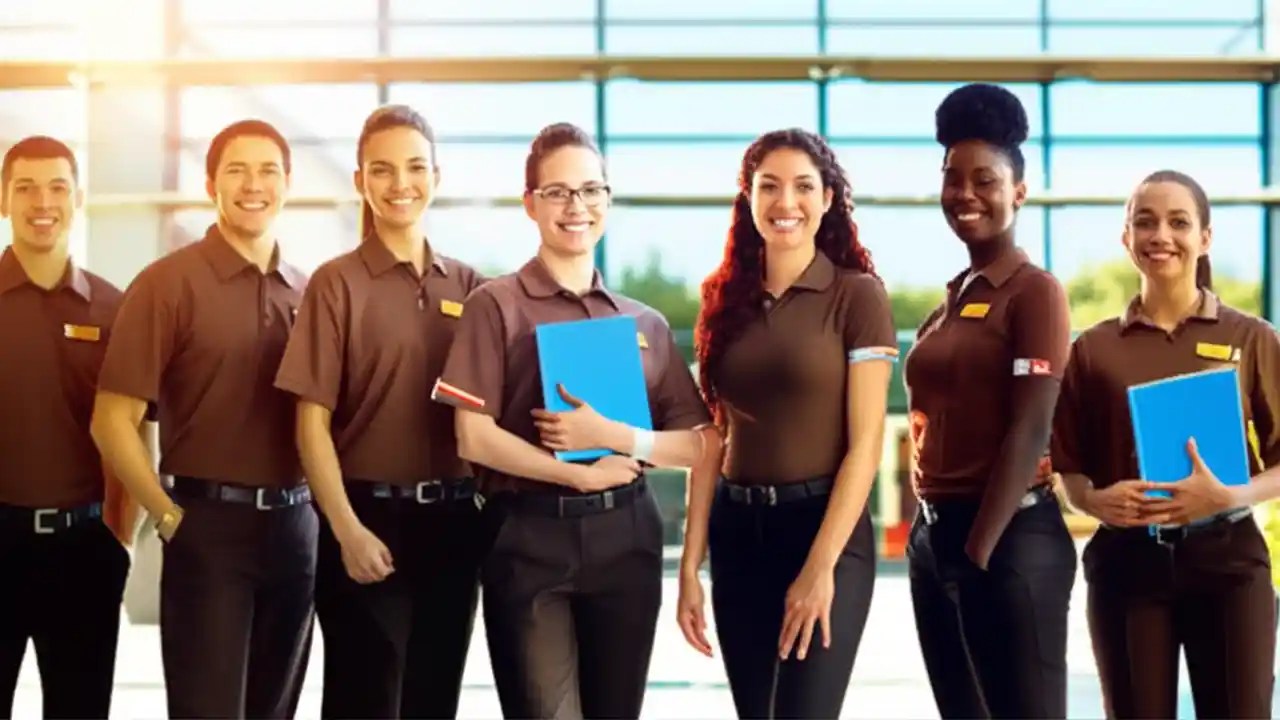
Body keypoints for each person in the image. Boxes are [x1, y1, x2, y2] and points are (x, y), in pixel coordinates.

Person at [430, 121, 717, 720]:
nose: (575, 206)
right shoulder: (495, 305)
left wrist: (616, 439)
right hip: (528, 538)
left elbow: (700, 445)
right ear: (530, 203)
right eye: (558, 192)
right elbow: (472, 436)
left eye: (590, 190)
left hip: (627, 539)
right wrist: (577, 474)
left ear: (607, 199)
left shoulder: (643, 323)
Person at [91, 120, 315, 719]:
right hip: (208, 529)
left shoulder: (307, 290)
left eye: (268, 171)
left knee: (276, 710)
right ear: (211, 184)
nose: (254, 185)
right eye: (237, 170)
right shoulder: (166, 284)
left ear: (288, 183)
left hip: (296, 530)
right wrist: (166, 517)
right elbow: (112, 419)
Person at [274, 104, 486, 719]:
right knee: (364, 700)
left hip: (453, 525)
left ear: (436, 177)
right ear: (360, 180)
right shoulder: (335, 284)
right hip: (366, 521)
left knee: (432, 702)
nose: (401, 184)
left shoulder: (470, 287)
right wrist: (345, 530)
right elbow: (310, 424)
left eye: (415, 167)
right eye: (383, 169)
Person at [679, 128, 893, 719]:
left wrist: (819, 568)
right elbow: (712, 441)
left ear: (827, 199)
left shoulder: (857, 296)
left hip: (822, 530)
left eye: (803, 186)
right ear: (748, 198)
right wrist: (691, 565)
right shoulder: (723, 301)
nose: (785, 202)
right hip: (738, 533)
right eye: (768, 187)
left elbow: (866, 445)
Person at [1052, 169, 1280, 719]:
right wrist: (1093, 502)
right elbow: (1069, 468)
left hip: (1229, 562)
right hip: (1127, 565)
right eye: (1145, 222)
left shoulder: (1250, 337)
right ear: (1126, 237)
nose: (1161, 236)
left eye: (1179, 222)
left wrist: (1229, 496)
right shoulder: (1093, 349)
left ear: (1205, 238)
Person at [902, 83, 1077, 719]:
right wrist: (931, 543)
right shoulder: (952, 298)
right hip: (936, 538)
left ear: (1018, 192)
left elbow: (1031, 427)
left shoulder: (1034, 292)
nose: (965, 193)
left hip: (1009, 540)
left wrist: (975, 552)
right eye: (952, 178)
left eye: (984, 180)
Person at [0, 136, 132, 719]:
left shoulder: (113, 307)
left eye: (57, 187)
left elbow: (133, 432)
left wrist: (122, 537)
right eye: (25, 187)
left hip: (84, 549)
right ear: (4, 199)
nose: (42, 202)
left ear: (77, 198)